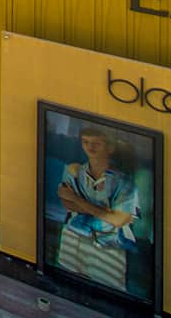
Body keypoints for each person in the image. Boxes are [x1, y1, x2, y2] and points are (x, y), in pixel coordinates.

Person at [54, 124, 142, 294]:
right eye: (85, 142)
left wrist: (76, 199)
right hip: (74, 236)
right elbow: (66, 204)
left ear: (110, 148)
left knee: (108, 292)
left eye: (96, 143)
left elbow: (120, 220)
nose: (90, 147)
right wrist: (105, 212)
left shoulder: (124, 181)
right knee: (67, 285)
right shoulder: (73, 170)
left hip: (109, 245)